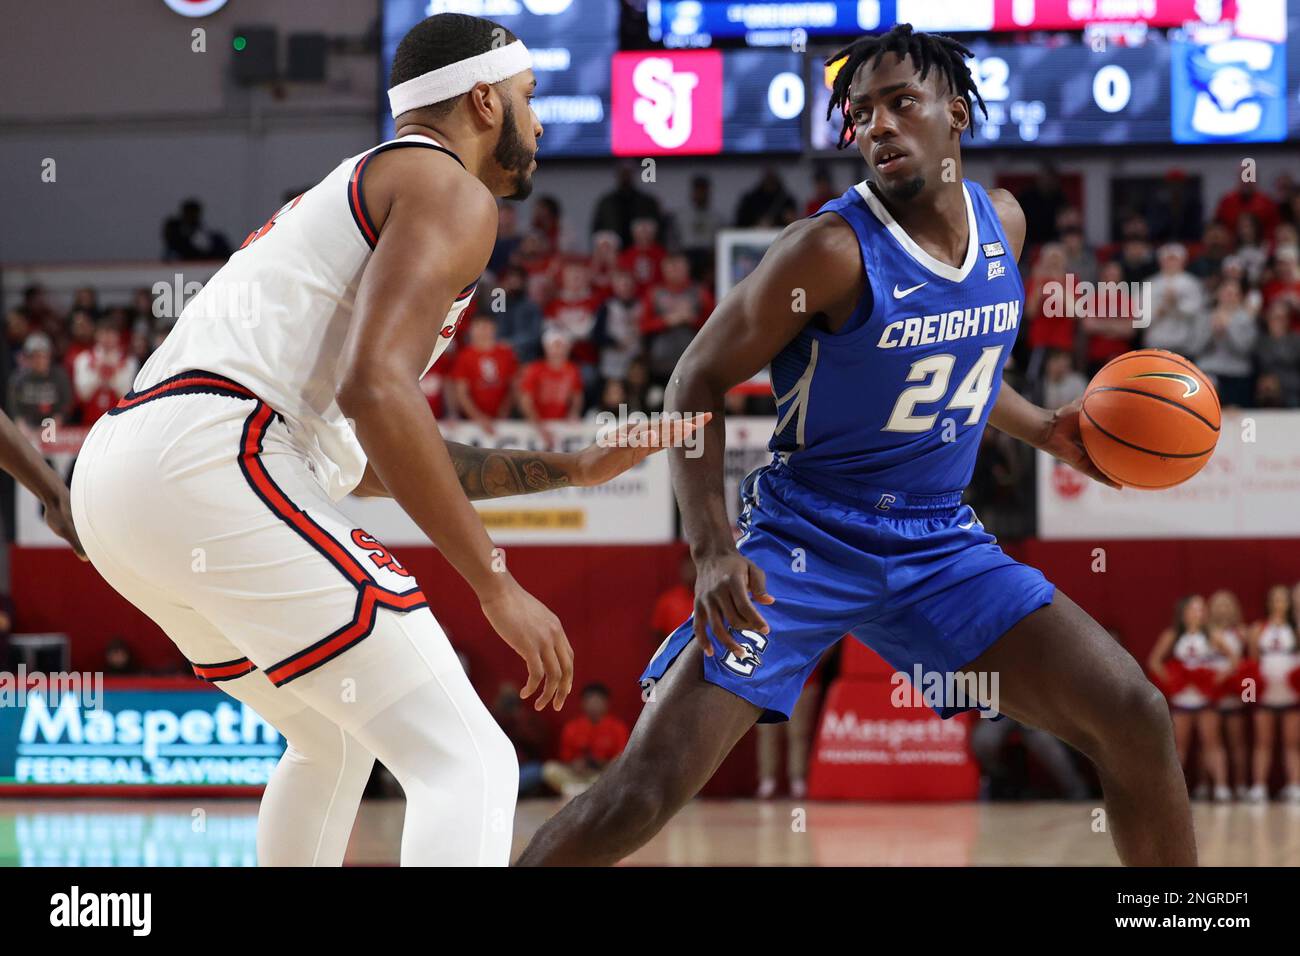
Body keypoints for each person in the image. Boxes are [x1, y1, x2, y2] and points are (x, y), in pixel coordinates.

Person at [517, 24, 1193, 867]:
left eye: (901, 102)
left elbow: (960, 363)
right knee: (643, 792)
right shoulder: (827, 251)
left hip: (940, 541)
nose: (877, 125)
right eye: (860, 112)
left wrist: (1044, 428)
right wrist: (712, 549)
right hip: (805, 542)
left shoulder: (1004, 225)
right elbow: (693, 379)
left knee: (1132, 710)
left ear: (958, 112)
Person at [69, 12, 702, 868]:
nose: (540, 121)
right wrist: (495, 580)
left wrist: (575, 467)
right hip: (213, 454)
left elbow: (366, 457)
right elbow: (377, 389)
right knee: (469, 760)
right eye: (529, 96)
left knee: (332, 741)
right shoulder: (449, 189)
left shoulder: (360, 191)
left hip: (128, 474)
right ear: (484, 101)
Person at [1148, 595, 1236, 802]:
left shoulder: (1212, 635)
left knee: (1212, 743)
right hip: (1183, 699)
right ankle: (1173, 791)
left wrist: (1216, 678)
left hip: (1205, 698)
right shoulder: (1172, 635)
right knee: (1180, 746)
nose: (1200, 612)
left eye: (1201, 609)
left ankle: (1221, 787)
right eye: (1195, 609)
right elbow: (1154, 661)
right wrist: (1172, 682)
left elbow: (1234, 658)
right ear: (1184, 612)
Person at [1247, 584, 1300, 802]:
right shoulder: (1258, 628)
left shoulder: (1295, 629)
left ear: (1289, 604)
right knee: (1263, 741)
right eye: (1275, 599)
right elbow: (1250, 665)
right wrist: (1248, 697)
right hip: (1265, 696)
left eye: (1283, 599)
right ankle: (1259, 786)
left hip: (1291, 695)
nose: (1279, 603)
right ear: (1268, 603)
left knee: (1291, 743)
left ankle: (1294, 785)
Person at [541, 683, 630, 797]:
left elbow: (621, 757)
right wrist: (575, 764)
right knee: (549, 769)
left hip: (602, 774)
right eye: (590, 701)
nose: (594, 706)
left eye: (597, 701)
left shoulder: (618, 727)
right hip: (578, 775)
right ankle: (586, 791)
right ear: (582, 703)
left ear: (606, 704)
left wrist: (603, 764)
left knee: (617, 776)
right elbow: (566, 758)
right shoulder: (572, 728)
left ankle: (582, 791)